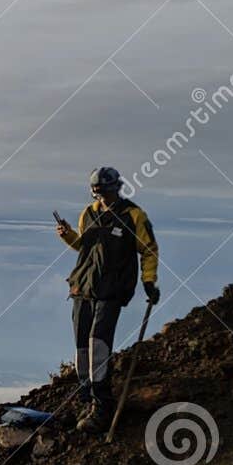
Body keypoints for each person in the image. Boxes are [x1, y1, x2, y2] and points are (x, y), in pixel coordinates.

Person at [56, 166, 159, 432]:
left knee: (97, 342)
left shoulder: (133, 215)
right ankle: (86, 399)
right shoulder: (88, 214)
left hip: (112, 289)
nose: (101, 196)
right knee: (81, 345)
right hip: (83, 286)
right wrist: (68, 235)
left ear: (117, 188)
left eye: (106, 191)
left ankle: (102, 406)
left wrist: (149, 282)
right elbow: (83, 247)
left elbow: (148, 250)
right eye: (97, 192)